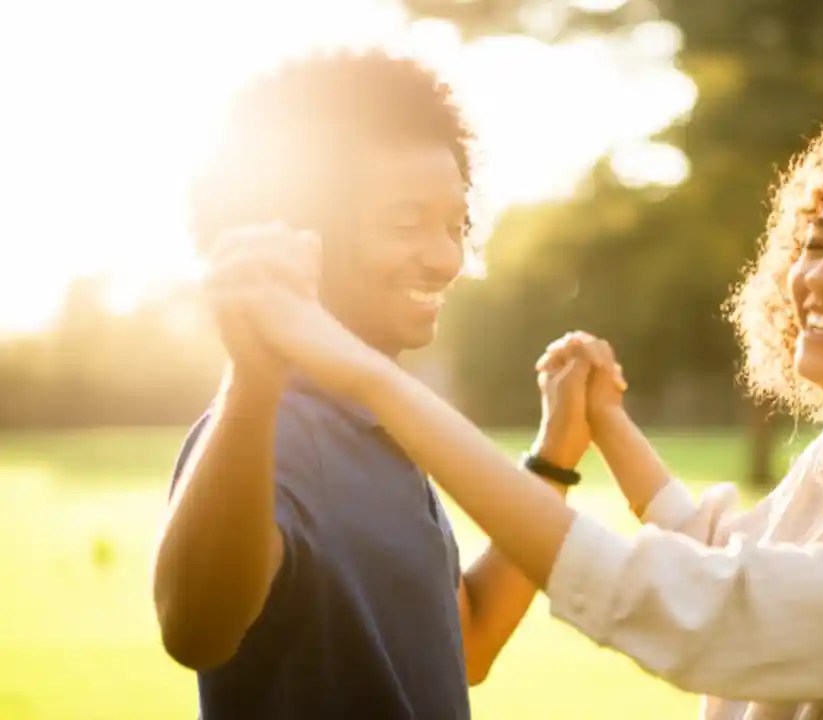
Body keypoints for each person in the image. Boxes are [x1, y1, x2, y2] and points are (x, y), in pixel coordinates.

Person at [215, 107, 823, 719]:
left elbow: (699, 610)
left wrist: (371, 379)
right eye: (819, 241)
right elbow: (728, 551)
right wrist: (603, 430)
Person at [151, 51, 606, 719]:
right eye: (406, 223)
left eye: (456, 226)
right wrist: (252, 384)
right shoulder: (276, 427)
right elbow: (194, 631)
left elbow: (468, 643)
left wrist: (556, 454)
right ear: (298, 235)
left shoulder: (384, 428)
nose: (447, 257)